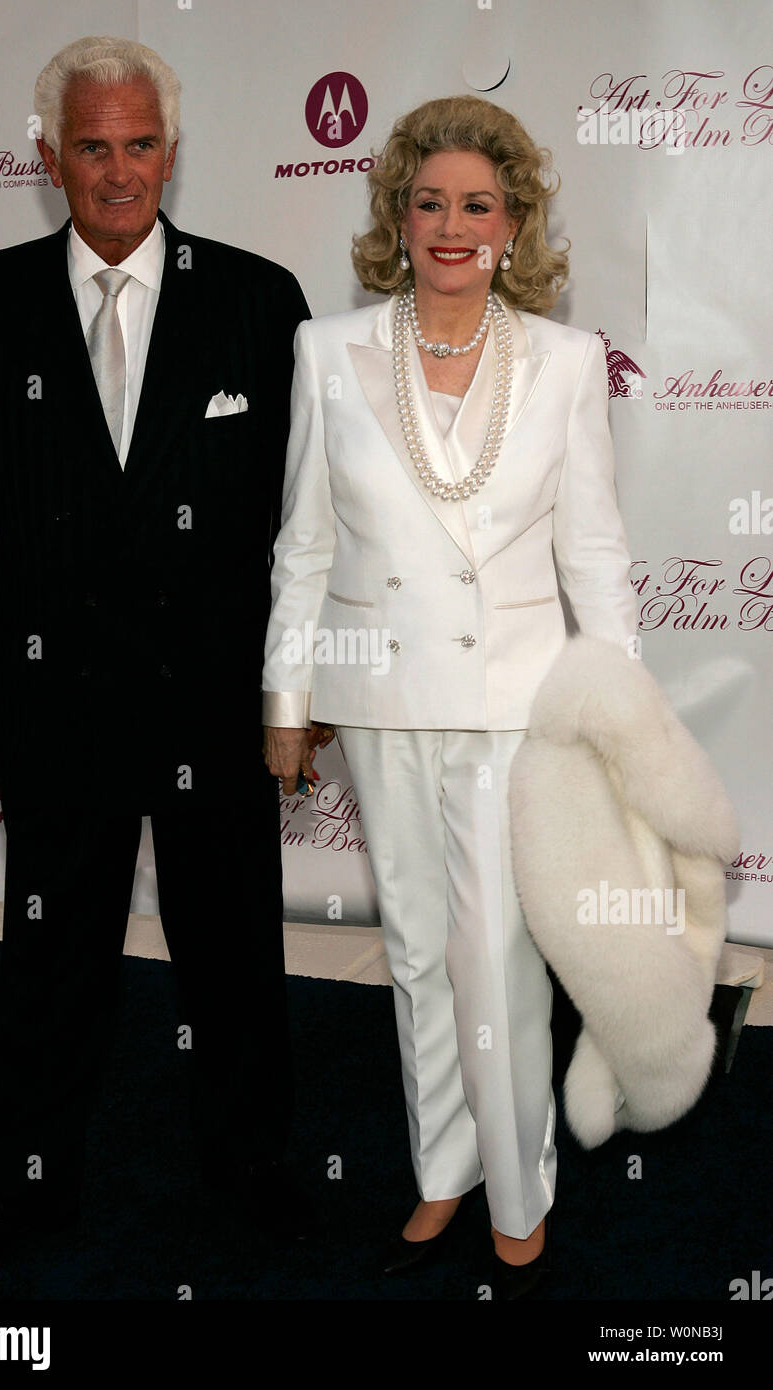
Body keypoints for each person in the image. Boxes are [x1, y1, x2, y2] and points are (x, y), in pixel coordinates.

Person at [0, 35, 309, 1274]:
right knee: (51, 958)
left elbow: (308, 522)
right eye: (93, 146)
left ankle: (252, 1177)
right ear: (48, 157)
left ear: (172, 154)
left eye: (140, 145)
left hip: (213, 702)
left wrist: (306, 678)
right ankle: (29, 1188)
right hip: (55, 693)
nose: (119, 170)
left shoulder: (260, 300)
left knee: (234, 951)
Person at [262, 95, 637, 1299]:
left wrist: (620, 715)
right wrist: (286, 694)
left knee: (495, 957)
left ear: (514, 223)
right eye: (430, 202)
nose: (452, 224)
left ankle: (519, 1192)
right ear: (398, 217)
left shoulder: (569, 363)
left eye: (478, 204)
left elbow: (595, 557)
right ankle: (446, 1167)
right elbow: (302, 544)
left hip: (511, 704)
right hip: (376, 695)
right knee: (419, 950)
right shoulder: (329, 351)